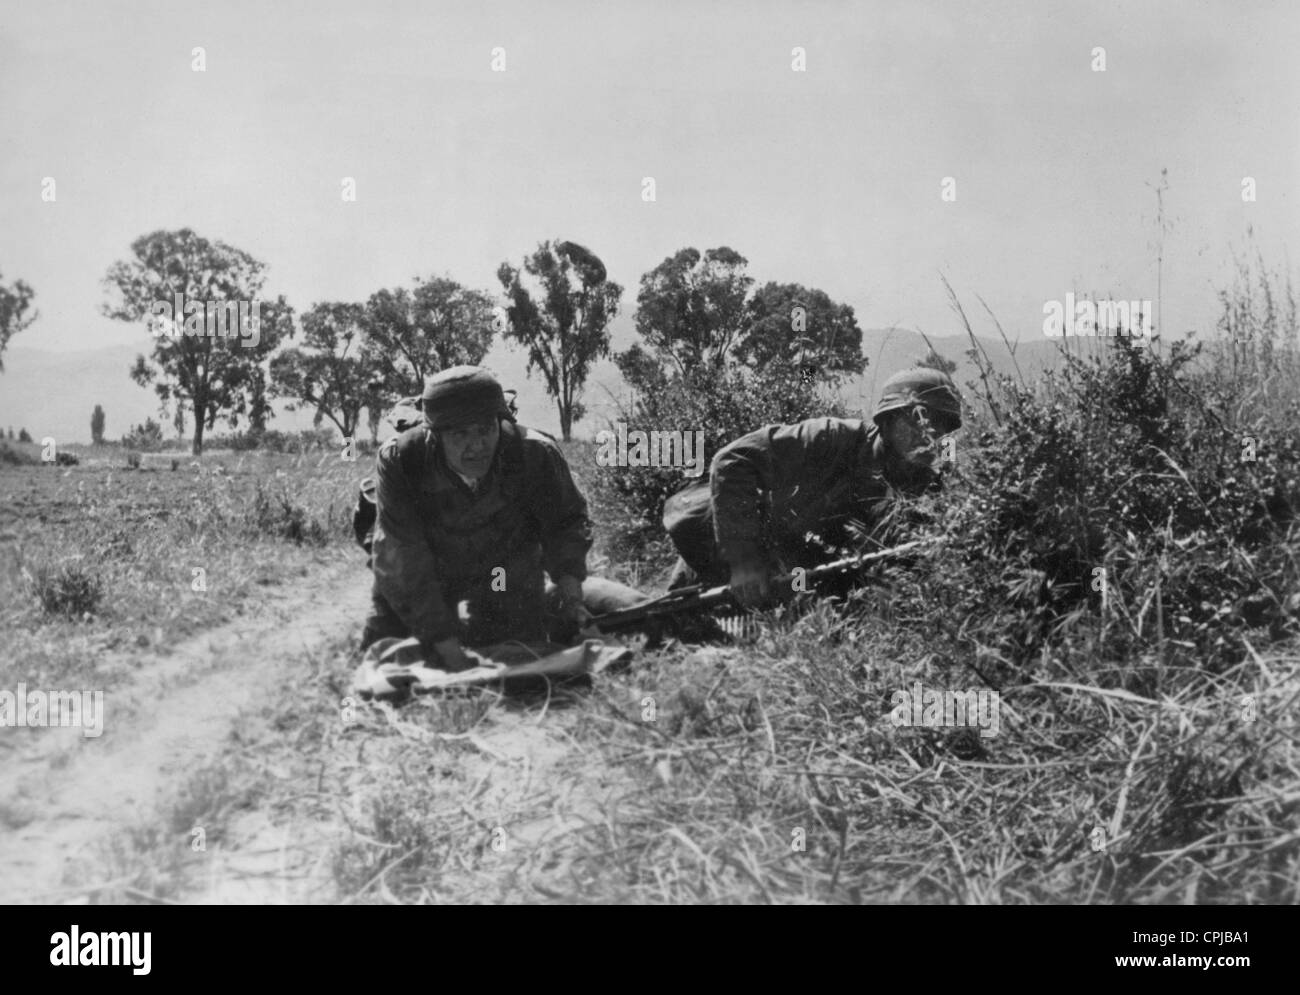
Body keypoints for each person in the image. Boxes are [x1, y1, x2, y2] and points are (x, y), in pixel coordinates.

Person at [360, 365, 646, 670]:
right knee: (389, 657)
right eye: (461, 435)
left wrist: (571, 593)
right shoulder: (403, 460)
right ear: (435, 435)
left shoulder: (534, 453)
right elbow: (402, 557)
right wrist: (442, 640)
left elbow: (566, 525)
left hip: (500, 571)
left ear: (500, 422)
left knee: (514, 648)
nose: (478, 445)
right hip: (430, 570)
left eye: (485, 429)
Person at [662, 367, 962, 608]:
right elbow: (733, 460)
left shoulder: (926, 486)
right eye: (918, 419)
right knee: (671, 619)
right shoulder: (830, 439)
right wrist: (744, 561)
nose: (929, 433)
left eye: (941, 425)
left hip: (800, 571)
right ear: (887, 420)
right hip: (722, 541)